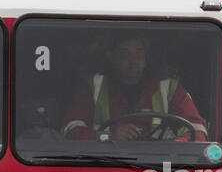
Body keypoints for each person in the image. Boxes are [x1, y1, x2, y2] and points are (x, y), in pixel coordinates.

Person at [61, 36, 208, 142]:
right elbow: (72, 129)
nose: (134, 60)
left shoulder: (168, 86)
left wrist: (177, 145)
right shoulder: (93, 86)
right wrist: (109, 135)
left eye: (139, 52)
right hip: (105, 163)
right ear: (111, 56)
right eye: (125, 53)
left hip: (160, 167)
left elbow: (197, 131)